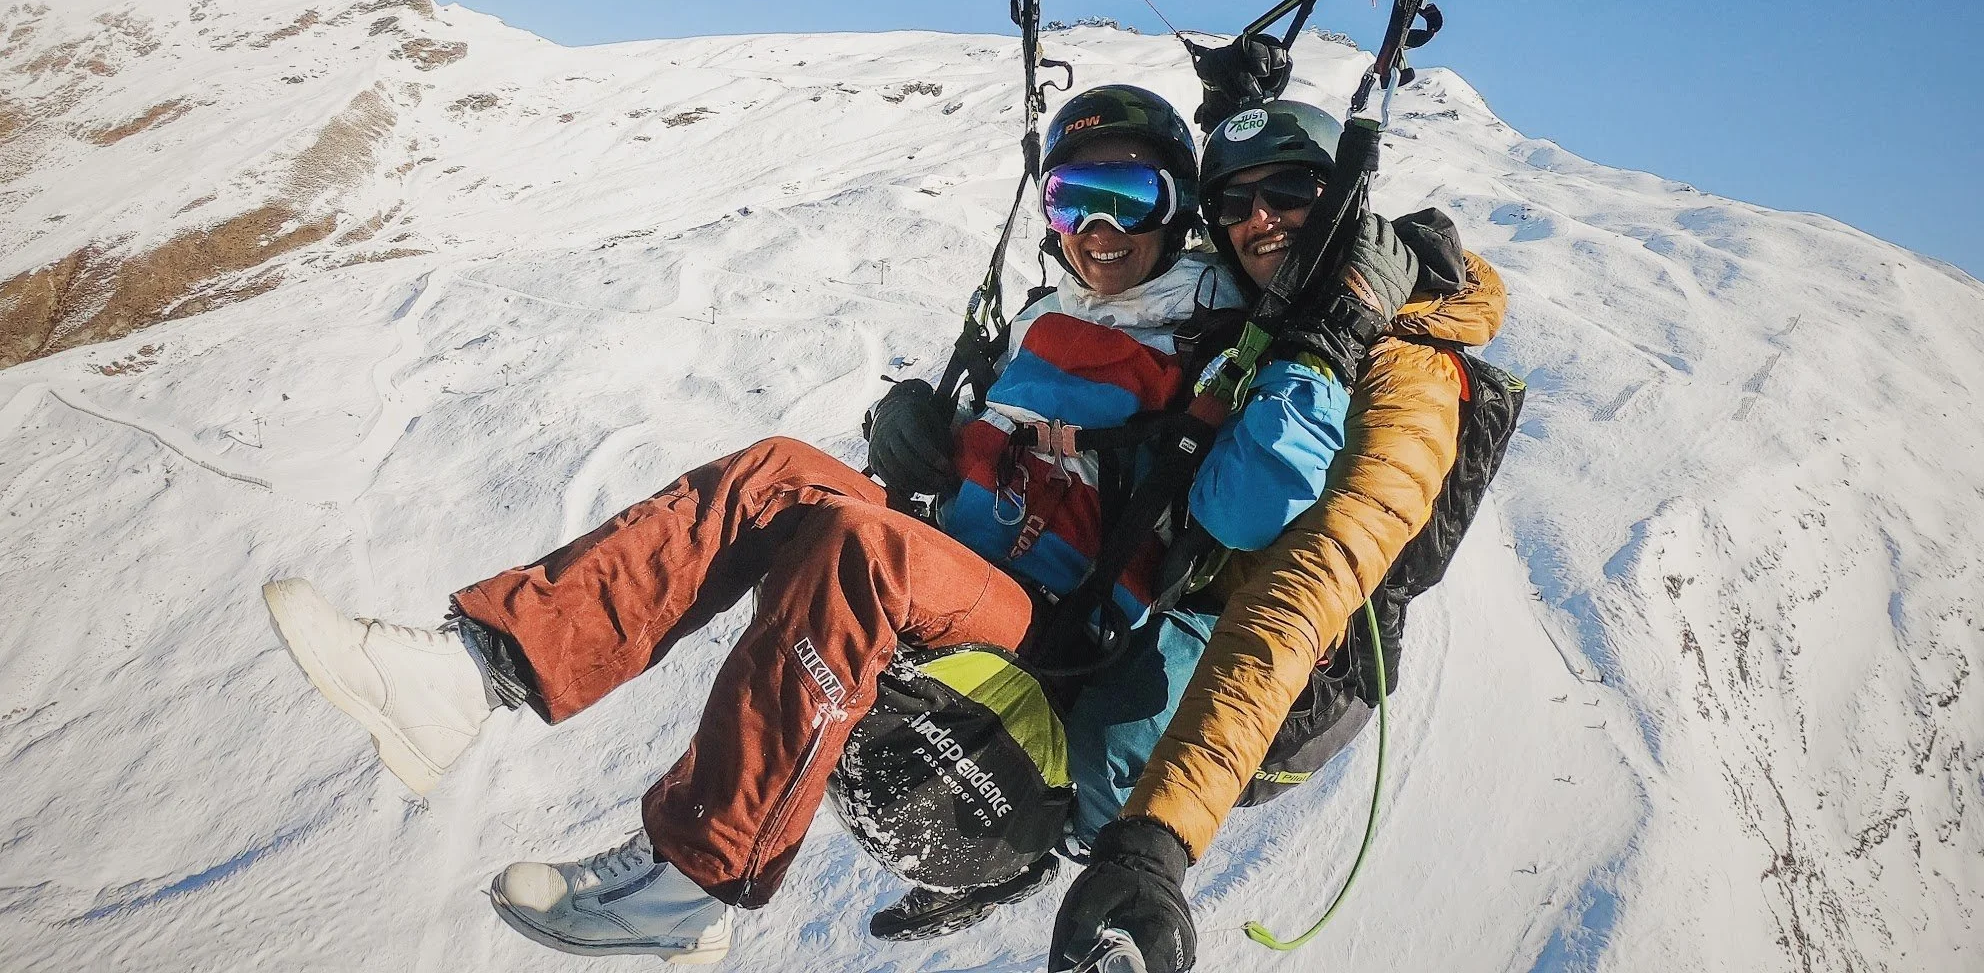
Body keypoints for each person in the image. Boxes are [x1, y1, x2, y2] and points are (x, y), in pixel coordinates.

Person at [259, 84, 1412, 966]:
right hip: (965, 556)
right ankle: (473, 674)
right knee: (776, 473)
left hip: (1055, 635)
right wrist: (934, 446)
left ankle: (692, 885)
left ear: (1180, 217)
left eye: (1134, 201)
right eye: (1073, 200)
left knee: (859, 553)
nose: (1099, 230)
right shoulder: (1055, 312)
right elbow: (1015, 466)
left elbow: (1250, 502)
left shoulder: (1224, 334)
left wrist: (1315, 332)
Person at [1047, 98, 1509, 973]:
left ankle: (1092, 874)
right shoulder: (1270, 310)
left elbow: (1306, 591)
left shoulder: (1403, 369)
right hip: (1188, 580)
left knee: (1103, 747)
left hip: (1301, 674)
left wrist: (1158, 839)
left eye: (1292, 192)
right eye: (1233, 203)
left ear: (1345, 205)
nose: (1260, 220)